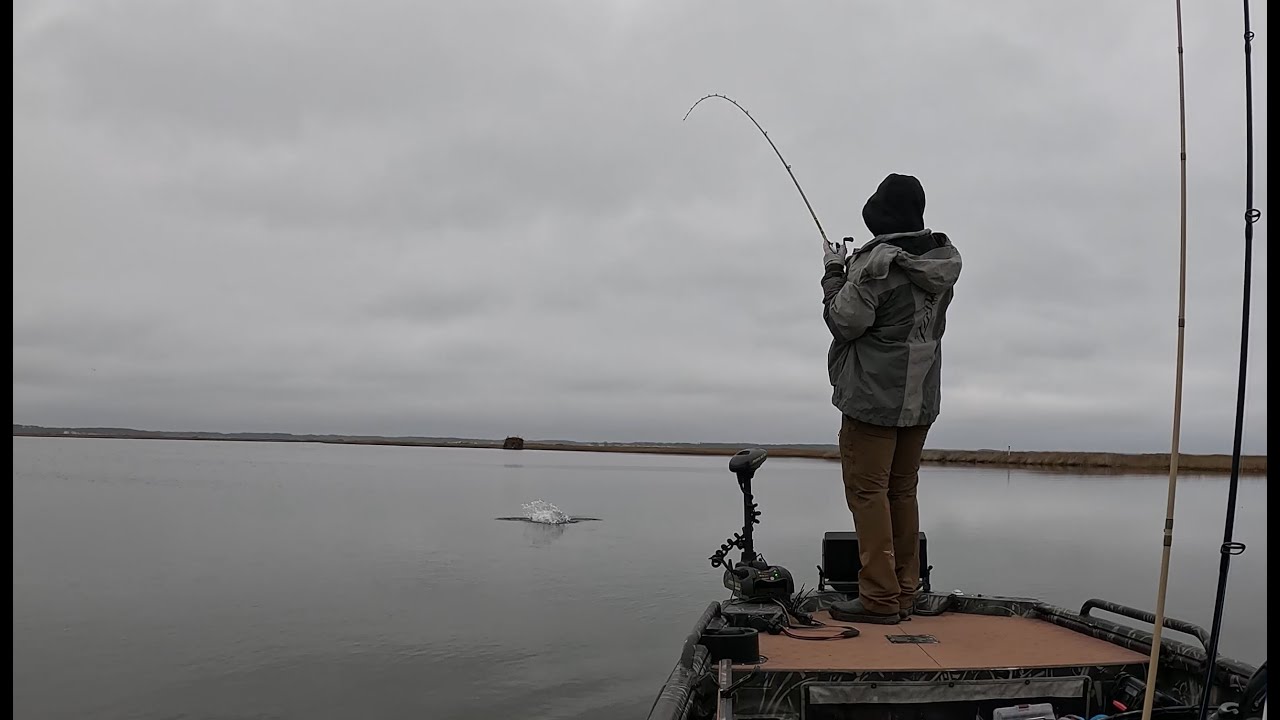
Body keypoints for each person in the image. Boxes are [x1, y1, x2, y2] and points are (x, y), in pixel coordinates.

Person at [818, 173, 962, 624]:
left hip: (873, 400)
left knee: (868, 493)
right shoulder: (941, 266)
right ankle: (904, 591)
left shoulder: (875, 266)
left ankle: (879, 598)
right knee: (902, 491)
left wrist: (834, 272)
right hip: (919, 398)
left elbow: (845, 322)